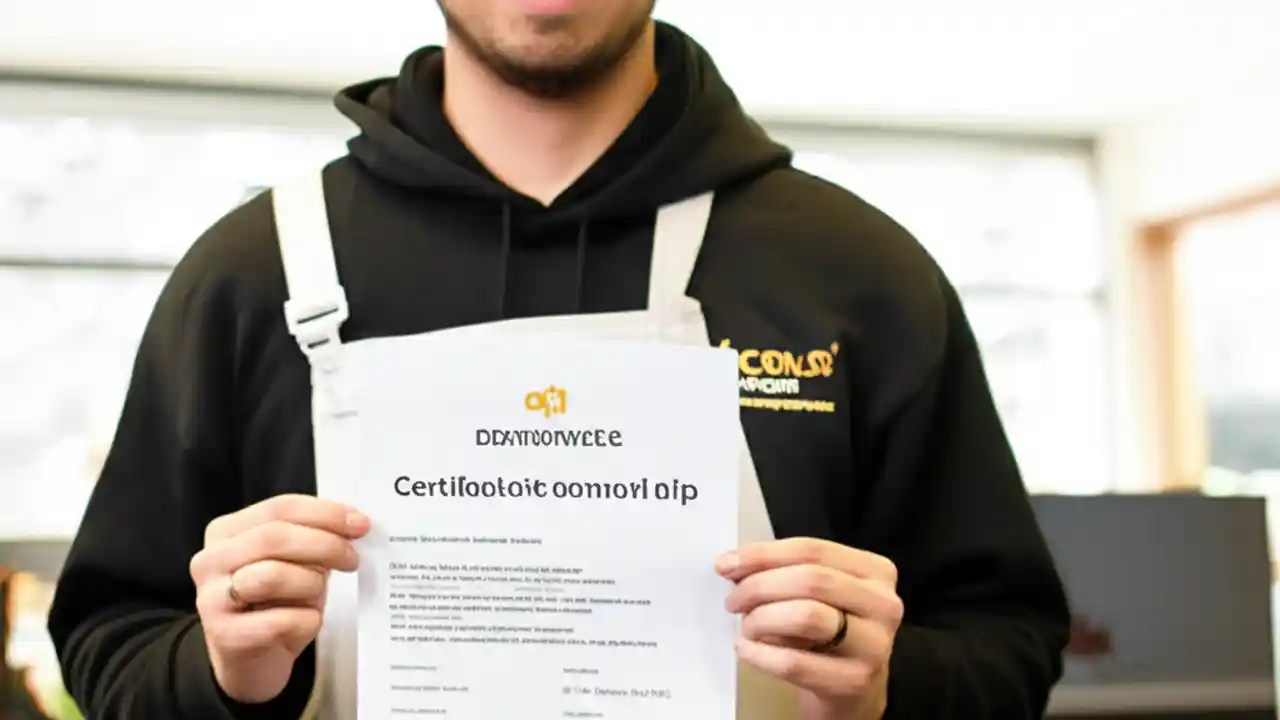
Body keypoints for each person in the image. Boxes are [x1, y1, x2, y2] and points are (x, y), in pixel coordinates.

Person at [48, 1, 1070, 718]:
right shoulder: (254, 270)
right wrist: (228, 673)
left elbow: (1007, 644)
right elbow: (109, 643)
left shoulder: (856, 271)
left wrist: (885, 687)